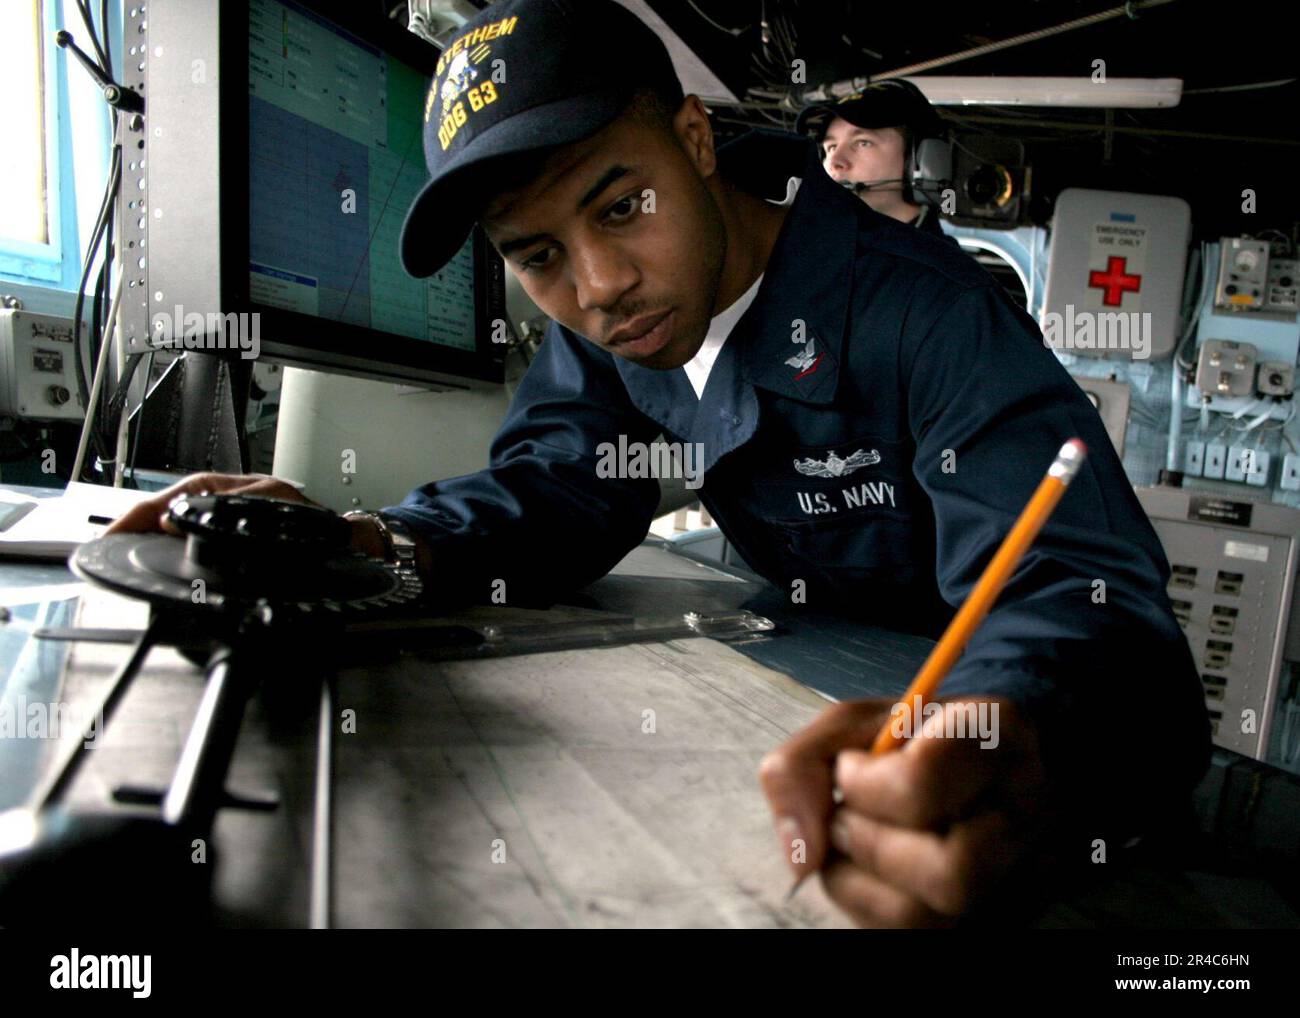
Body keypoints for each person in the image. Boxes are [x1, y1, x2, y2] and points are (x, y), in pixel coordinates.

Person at [108, 0, 1210, 927]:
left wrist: (1005, 728)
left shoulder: (927, 313)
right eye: (536, 254)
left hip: (960, 778)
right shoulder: (619, 331)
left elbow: (1091, 603)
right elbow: (554, 484)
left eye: (620, 206)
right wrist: (376, 546)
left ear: (693, 138)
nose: (597, 286)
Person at [796, 78, 950, 238]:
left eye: (863, 143)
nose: (834, 162)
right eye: (831, 147)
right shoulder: (813, 247)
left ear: (919, 162)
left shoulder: (944, 262)